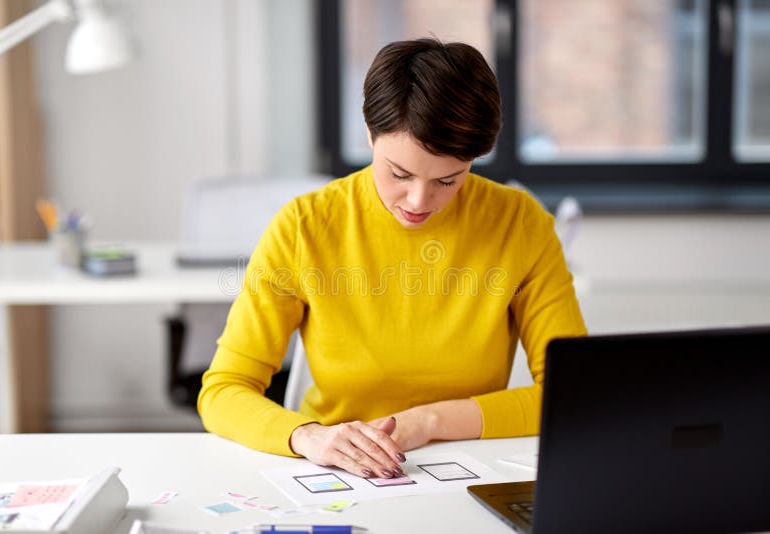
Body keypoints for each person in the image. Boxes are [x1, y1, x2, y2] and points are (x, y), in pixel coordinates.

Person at [198, 38, 586, 481]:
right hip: (336, 473)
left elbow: (572, 393)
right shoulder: (304, 226)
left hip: (471, 470)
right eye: (399, 174)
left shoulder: (520, 223)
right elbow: (224, 390)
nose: (419, 200)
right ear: (369, 133)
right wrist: (308, 436)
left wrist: (429, 421)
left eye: (448, 180)